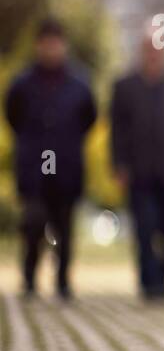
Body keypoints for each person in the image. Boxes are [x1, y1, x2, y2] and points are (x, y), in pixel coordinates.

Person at [4, 18, 98, 300]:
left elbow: (89, 119)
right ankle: (30, 277)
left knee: (64, 227)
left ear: (63, 45)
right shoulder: (22, 84)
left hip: (66, 167)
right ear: (38, 46)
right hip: (34, 167)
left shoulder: (80, 84)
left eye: (56, 43)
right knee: (33, 222)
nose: (51, 48)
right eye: (46, 43)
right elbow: (13, 116)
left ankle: (63, 280)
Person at [110, 33, 164, 300]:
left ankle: (162, 272)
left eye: (158, 50)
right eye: (149, 49)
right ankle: (151, 284)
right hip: (138, 173)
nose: (153, 55)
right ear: (141, 52)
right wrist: (118, 163)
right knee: (145, 229)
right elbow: (116, 130)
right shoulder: (124, 87)